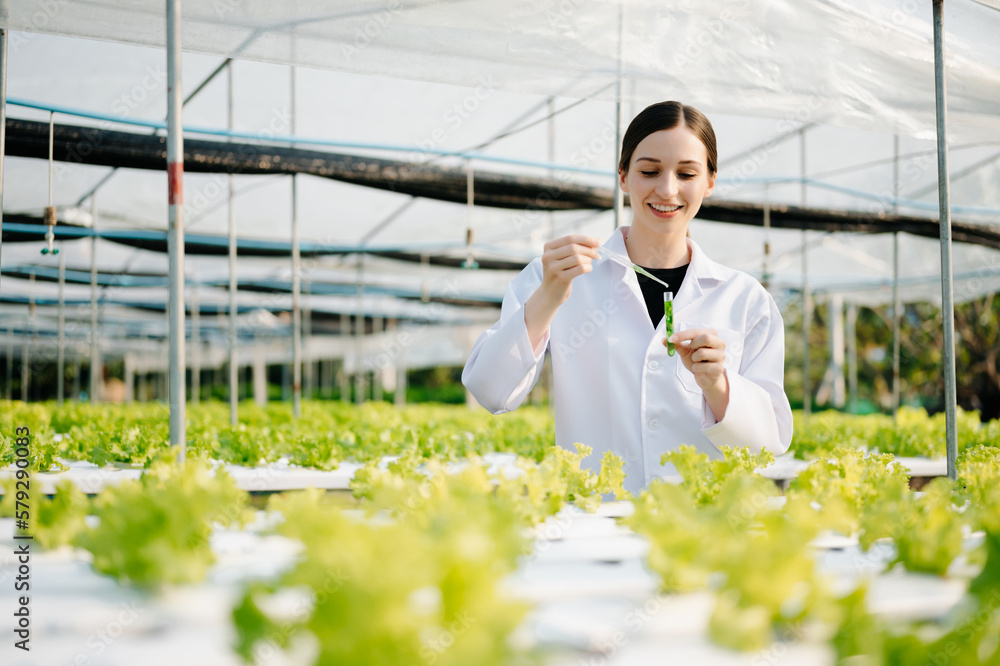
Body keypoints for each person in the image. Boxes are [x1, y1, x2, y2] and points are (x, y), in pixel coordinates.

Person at [462, 101, 792, 494]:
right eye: (649, 171)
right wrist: (548, 297)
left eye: (686, 173)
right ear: (623, 176)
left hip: (703, 526)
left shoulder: (745, 300)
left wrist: (719, 387)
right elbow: (490, 390)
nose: (667, 189)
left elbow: (768, 445)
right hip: (596, 523)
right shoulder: (556, 277)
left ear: (710, 182)